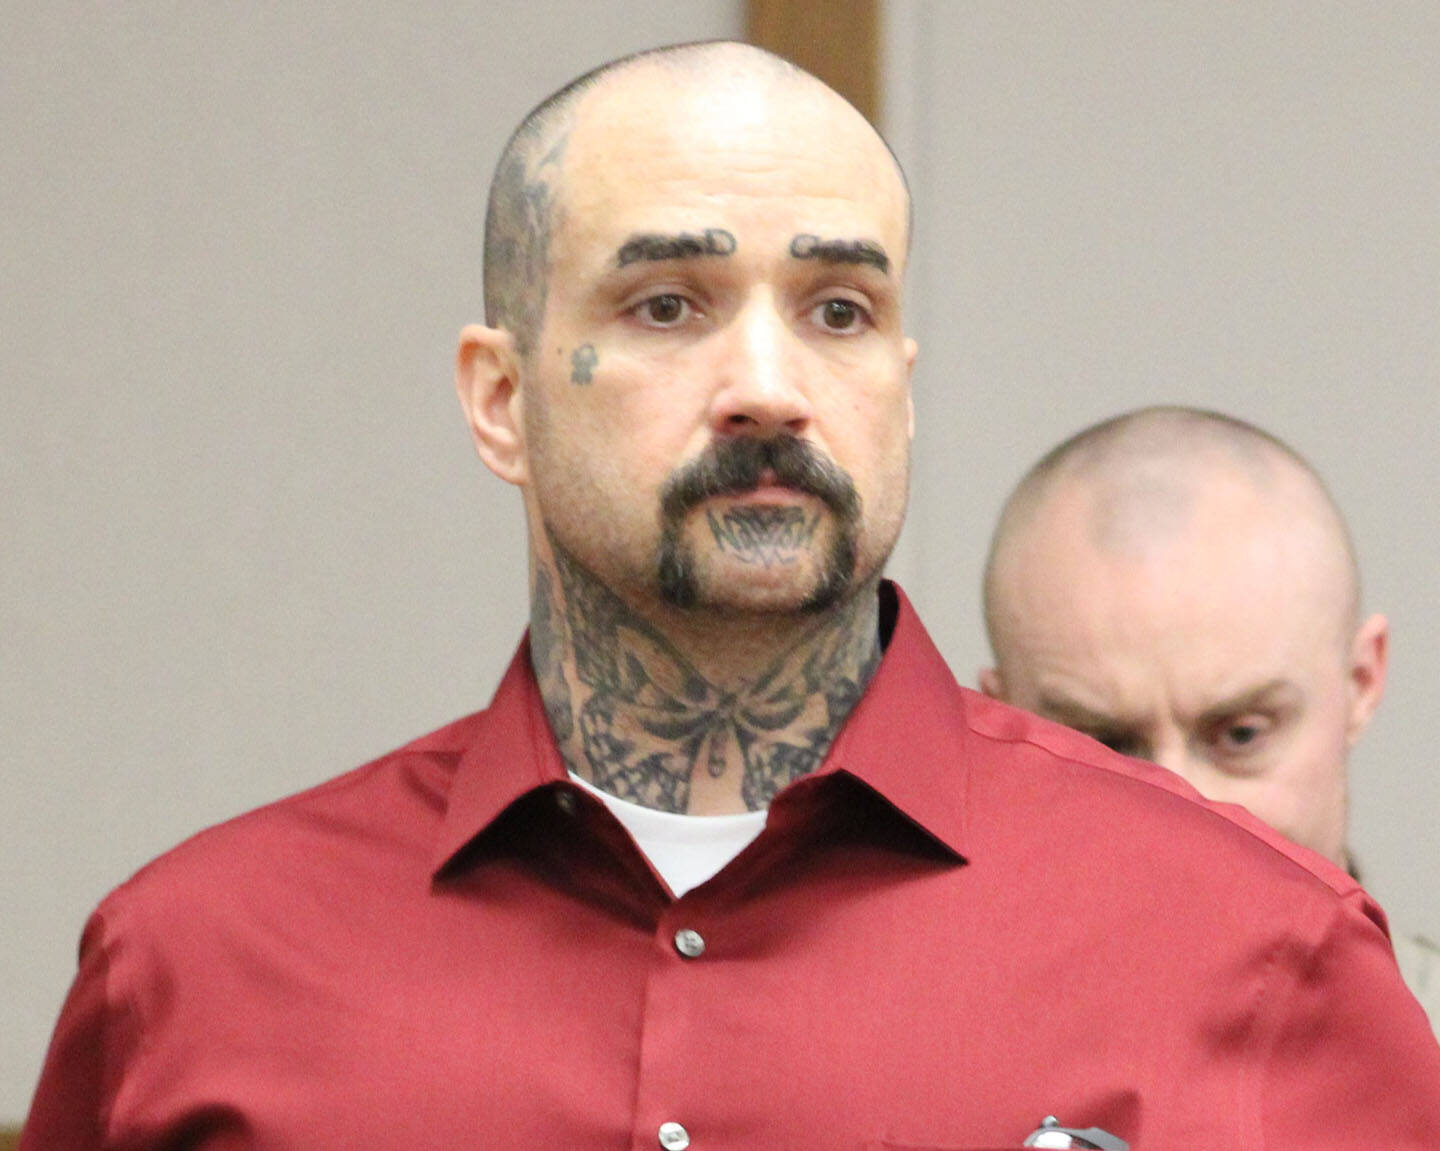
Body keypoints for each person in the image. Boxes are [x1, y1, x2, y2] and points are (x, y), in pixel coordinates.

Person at [22, 44, 1440, 1150]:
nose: (770, 385)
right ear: (502, 399)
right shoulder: (197, 967)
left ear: (901, 387)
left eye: (839, 311)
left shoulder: (1255, 946)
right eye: (669, 304)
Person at [980, 405, 1440, 1033]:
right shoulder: (922, 1063)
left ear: (1361, 681)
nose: (1184, 817)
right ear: (1003, 723)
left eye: (1242, 735)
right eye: (1103, 745)